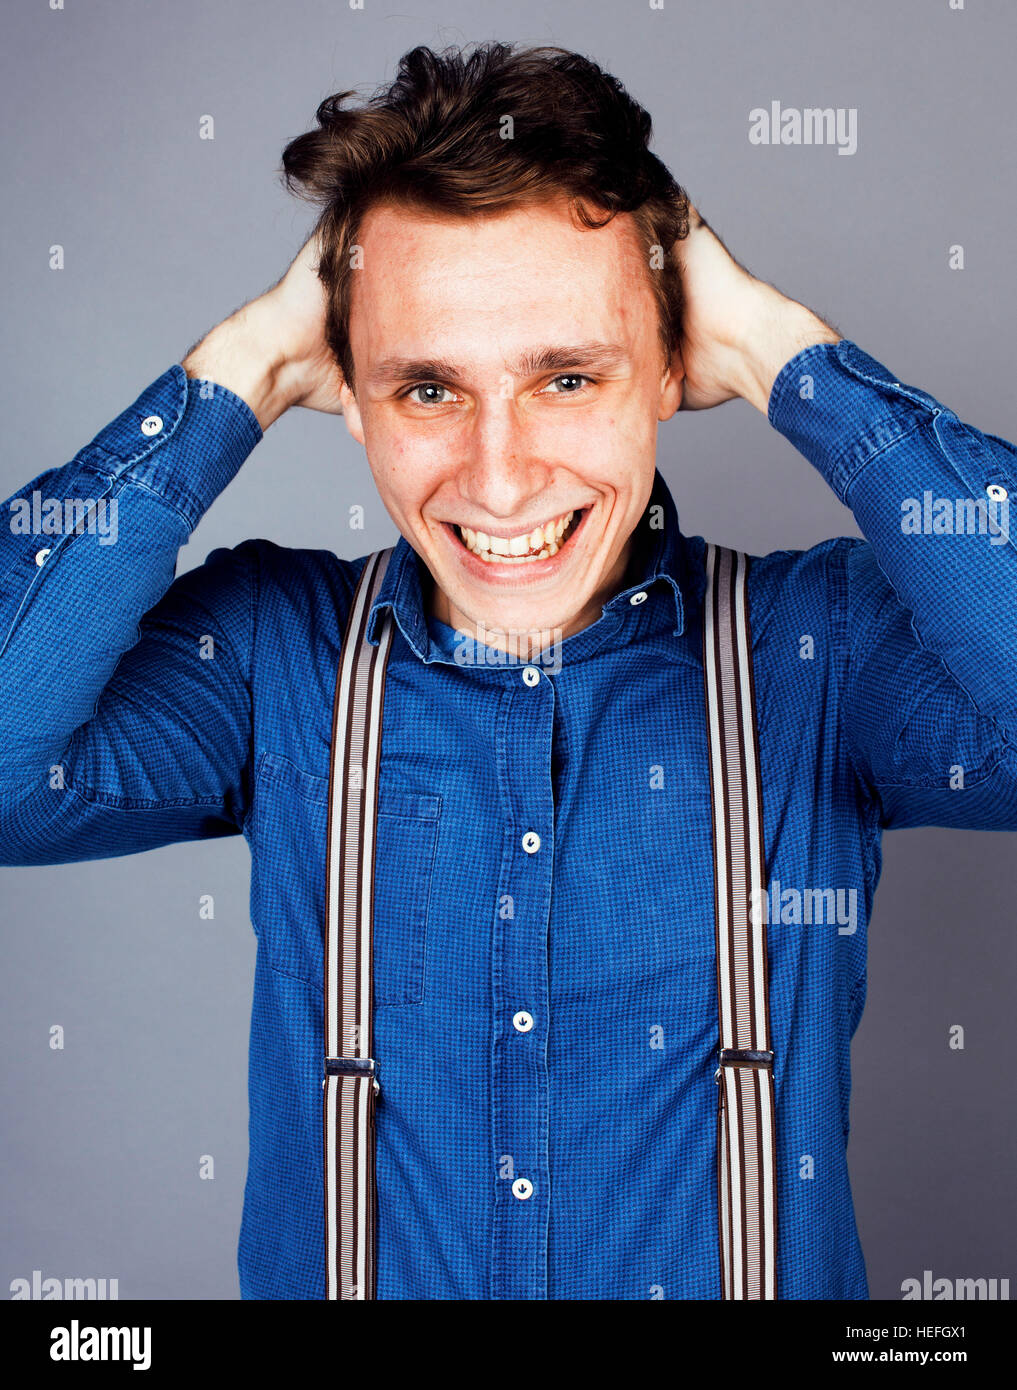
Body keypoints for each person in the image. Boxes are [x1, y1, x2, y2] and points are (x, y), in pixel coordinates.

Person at [1, 41, 1014, 1301]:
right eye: (428, 387)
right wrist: (234, 375)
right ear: (355, 399)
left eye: (569, 377)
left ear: (670, 374)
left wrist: (783, 352)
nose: (497, 476)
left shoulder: (821, 654)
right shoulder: (275, 654)